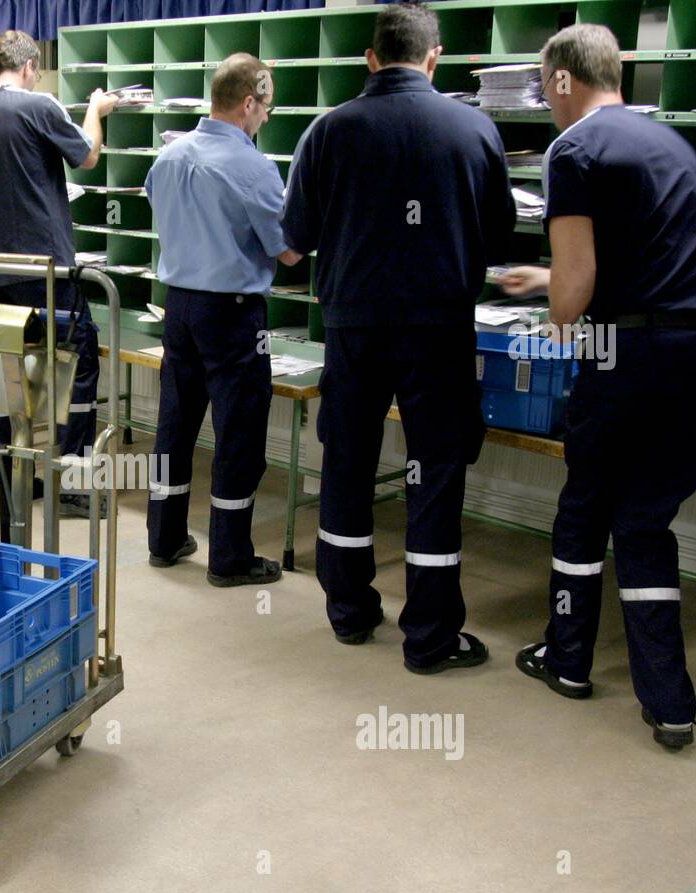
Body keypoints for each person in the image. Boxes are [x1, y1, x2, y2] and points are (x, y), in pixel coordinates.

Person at [500, 25, 696, 751]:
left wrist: (553, 307)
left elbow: (577, 296)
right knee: (642, 522)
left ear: (566, 80)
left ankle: (569, 660)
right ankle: (669, 703)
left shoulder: (573, 151)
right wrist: (559, 281)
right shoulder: (668, 142)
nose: (545, 101)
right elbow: (644, 259)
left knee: (585, 507)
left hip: (631, 352)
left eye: (545, 86)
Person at [281, 3, 514, 672]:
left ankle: (350, 612)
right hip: (439, 327)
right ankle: (430, 637)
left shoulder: (329, 132)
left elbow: (295, 239)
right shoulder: (474, 129)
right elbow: (498, 238)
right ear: (434, 57)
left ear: (370, 58)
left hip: (353, 324)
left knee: (347, 461)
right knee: (434, 472)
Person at [0, 29, 121, 529]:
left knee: (5, 366)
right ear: (31, 64)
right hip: (44, 268)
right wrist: (96, 111)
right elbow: (86, 155)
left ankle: (13, 477)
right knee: (78, 356)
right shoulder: (39, 105)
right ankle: (75, 480)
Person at [143, 54, 301, 586]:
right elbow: (288, 253)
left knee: (175, 424)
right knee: (238, 433)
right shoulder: (252, 165)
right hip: (232, 313)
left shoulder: (169, 156)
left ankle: (165, 539)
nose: (265, 119)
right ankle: (230, 558)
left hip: (179, 305)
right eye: (265, 108)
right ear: (249, 101)